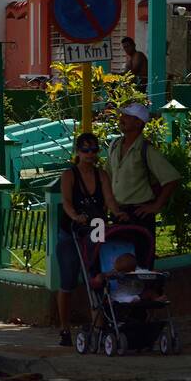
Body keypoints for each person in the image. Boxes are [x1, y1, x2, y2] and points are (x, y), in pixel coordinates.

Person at [53, 132, 121, 347]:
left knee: (96, 276)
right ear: (78, 152)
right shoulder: (69, 175)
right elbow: (66, 201)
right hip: (72, 230)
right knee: (68, 280)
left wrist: (118, 213)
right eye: (85, 150)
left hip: (96, 228)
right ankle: (64, 328)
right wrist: (76, 216)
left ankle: (100, 327)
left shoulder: (101, 175)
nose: (90, 155)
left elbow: (109, 199)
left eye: (93, 150)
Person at [107, 103, 180, 268]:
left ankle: (146, 292)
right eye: (122, 115)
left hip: (139, 213)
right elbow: (108, 176)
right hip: (118, 212)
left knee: (142, 262)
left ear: (139, 123)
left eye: (127, 116)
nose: (122, 119)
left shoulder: (146, 150)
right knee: (118, 261)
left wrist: (155, 206)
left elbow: (171, 178)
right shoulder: (114, 145)